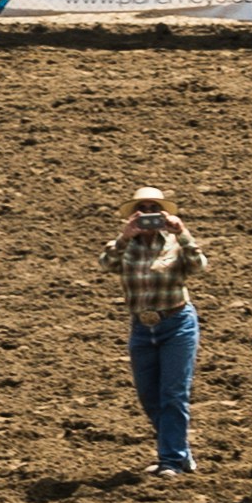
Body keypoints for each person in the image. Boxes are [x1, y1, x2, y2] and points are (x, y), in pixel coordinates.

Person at [100, 185, 207, 478]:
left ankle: (171, 460)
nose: (148, 215)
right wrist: (124, 237)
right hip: (142, 326)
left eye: (153, 209)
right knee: (149, 395)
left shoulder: (175, 242)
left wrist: (183, 233)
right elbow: (105, 264)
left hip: (176, 323)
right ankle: (179, 450)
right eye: (142, 209)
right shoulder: (125, 245)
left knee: (173, 392)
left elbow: (199, 266)